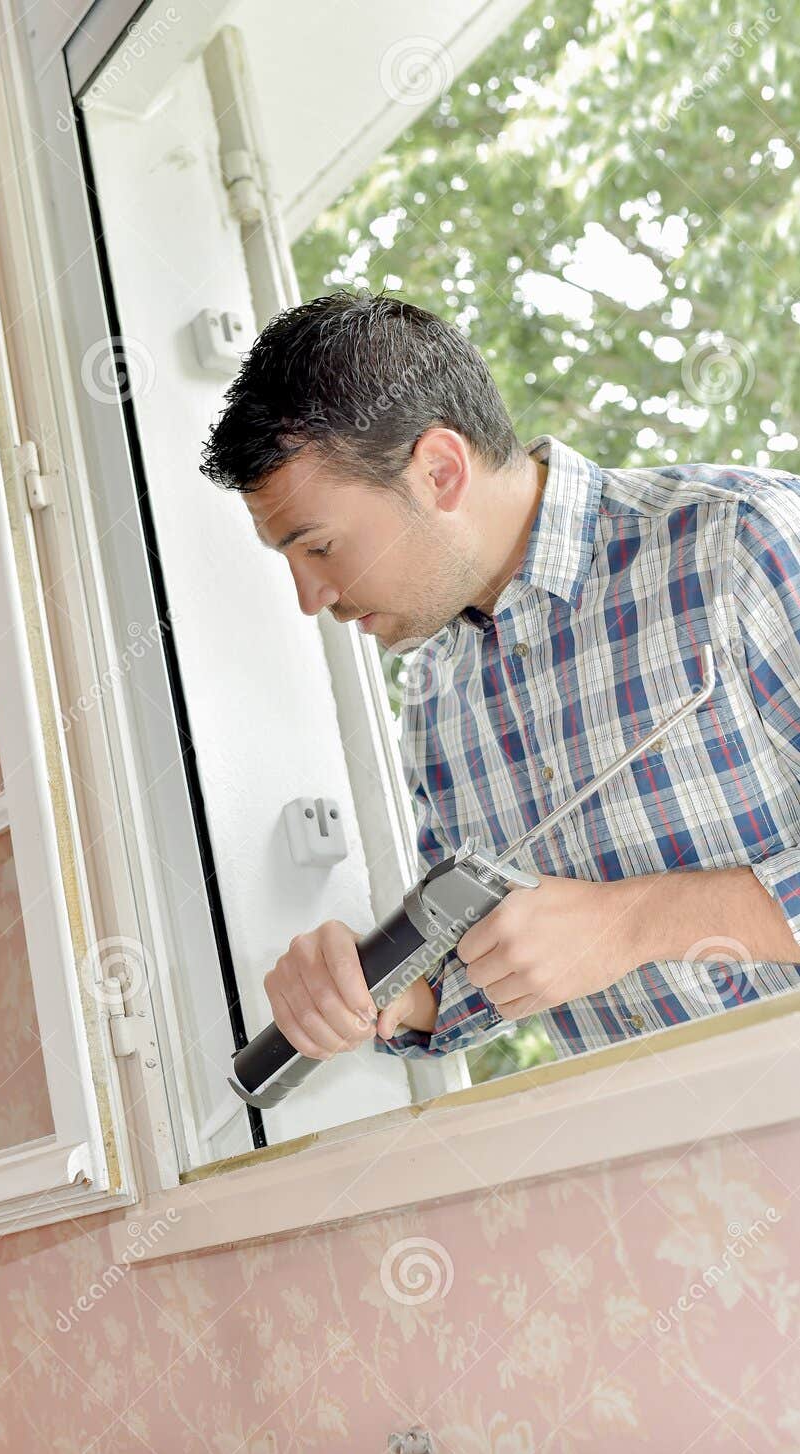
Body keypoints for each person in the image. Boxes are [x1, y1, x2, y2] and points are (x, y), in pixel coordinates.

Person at [198, 290, 800, 1071]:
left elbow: (604, 933)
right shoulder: (435, 700)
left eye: (318, 548)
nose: (310, 598)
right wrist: (385, 994)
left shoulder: (740, 543)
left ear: (440, 471)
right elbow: (494, 967)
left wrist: (637, 921)